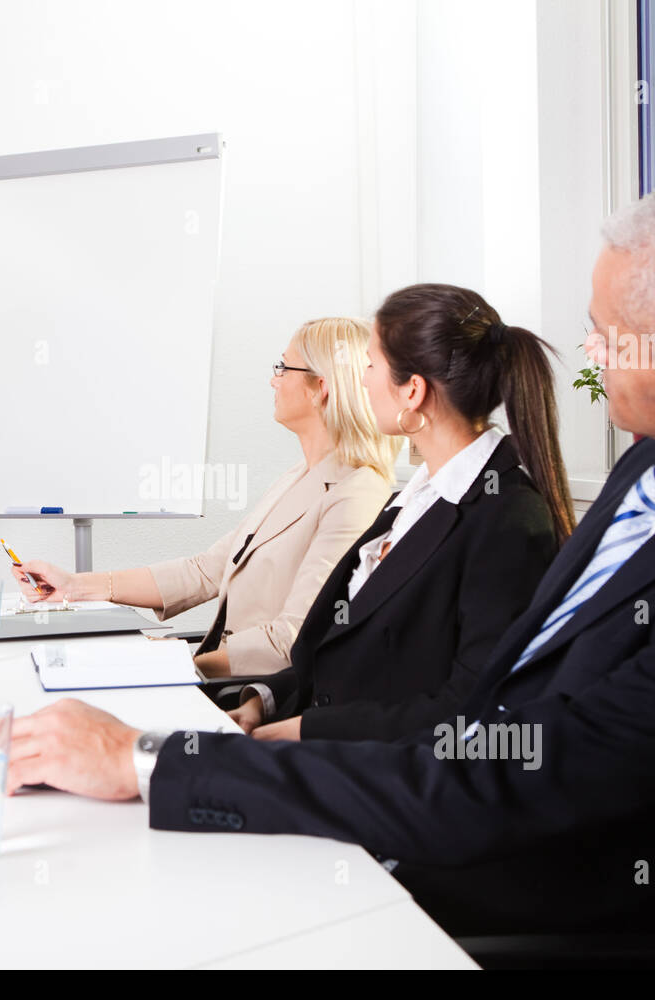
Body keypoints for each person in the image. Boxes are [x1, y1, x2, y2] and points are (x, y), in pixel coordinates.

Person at [5, 180, 655, 938]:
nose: (585, 354)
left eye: (604, 336)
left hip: (524, 898)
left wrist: (150, 762)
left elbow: (517, 768)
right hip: (450, 821)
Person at [229, 284, 574, 742]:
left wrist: (307, 730)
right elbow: (354, 654)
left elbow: (470, 707)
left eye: (370, 365)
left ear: (412, 390)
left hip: (383, 780)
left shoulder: (507, 520)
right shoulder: (416, 497)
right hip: (326, 754)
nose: (362, 380)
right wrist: (264, 698)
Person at [12, 318, 401, 677]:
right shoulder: (300, 476)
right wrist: (73, 586)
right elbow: (205, 570)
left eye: (282, 368)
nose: (273, 380)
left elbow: (292, 638)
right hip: (217, 672)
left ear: (322, 387)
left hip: (254, 692)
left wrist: (174, 665)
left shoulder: (356, 494)